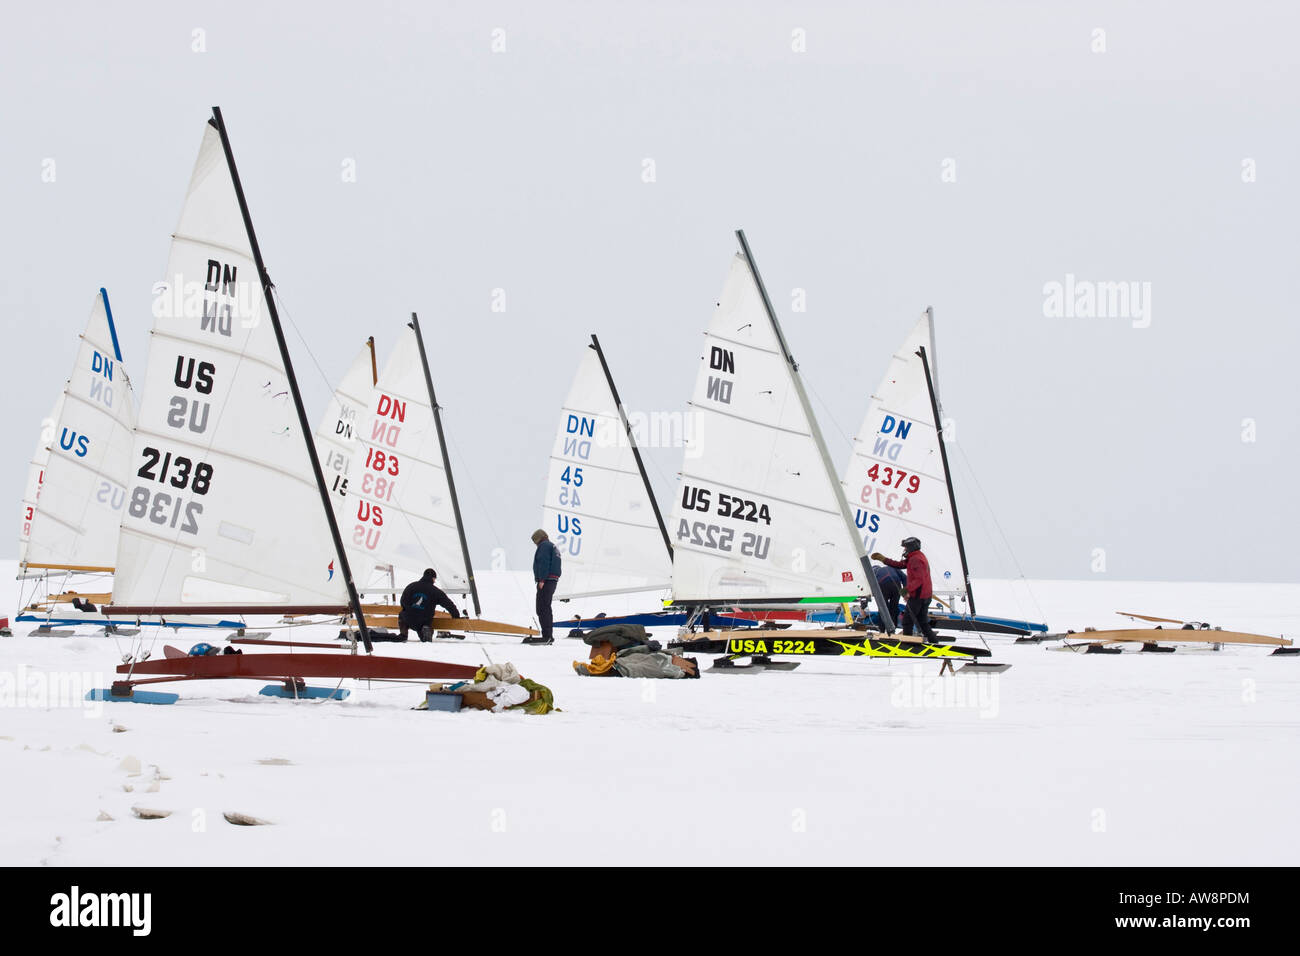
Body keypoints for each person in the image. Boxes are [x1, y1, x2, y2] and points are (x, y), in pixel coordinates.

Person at [871, 537, 940, 642]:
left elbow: (919, 579)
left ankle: (907, 643)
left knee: (907, 621)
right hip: (924, 595)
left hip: (919, 596)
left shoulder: (916, 559)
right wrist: (883, 559)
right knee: (922, 622)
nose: (904, 550)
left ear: (911, 547)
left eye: (905, 548)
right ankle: (934, 642)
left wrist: (906, 590)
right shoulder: (914, 557)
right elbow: (900, 565)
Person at [398, 568, 461, 642]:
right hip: (424, 620)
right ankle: (426, 632)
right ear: (433, 578)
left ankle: (403, 634)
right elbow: (448, 604)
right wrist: (456, 615)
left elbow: (403, 601)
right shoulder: (435, 591)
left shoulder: (411, 586)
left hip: (408, 618)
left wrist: (408, 610)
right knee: (424, 625)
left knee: (402, 616)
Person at [525, 529, 561, 645]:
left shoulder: (544, 546)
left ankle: (547, 636)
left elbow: (543, 562)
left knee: (542, 608)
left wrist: (542, 579)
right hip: (553, 580)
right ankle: (548, 635)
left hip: (546, 580)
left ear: (537, 539)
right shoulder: (552, 546)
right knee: (545, 607)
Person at [872, 564, 905, 628]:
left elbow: (873, 588)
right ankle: (893, 629)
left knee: (883, 609)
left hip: (883, 584)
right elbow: (905, 578)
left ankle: (882, 629)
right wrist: (905, 593)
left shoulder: (874, 574)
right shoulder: (893, 567)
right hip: (897, 584)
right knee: (894, 608)